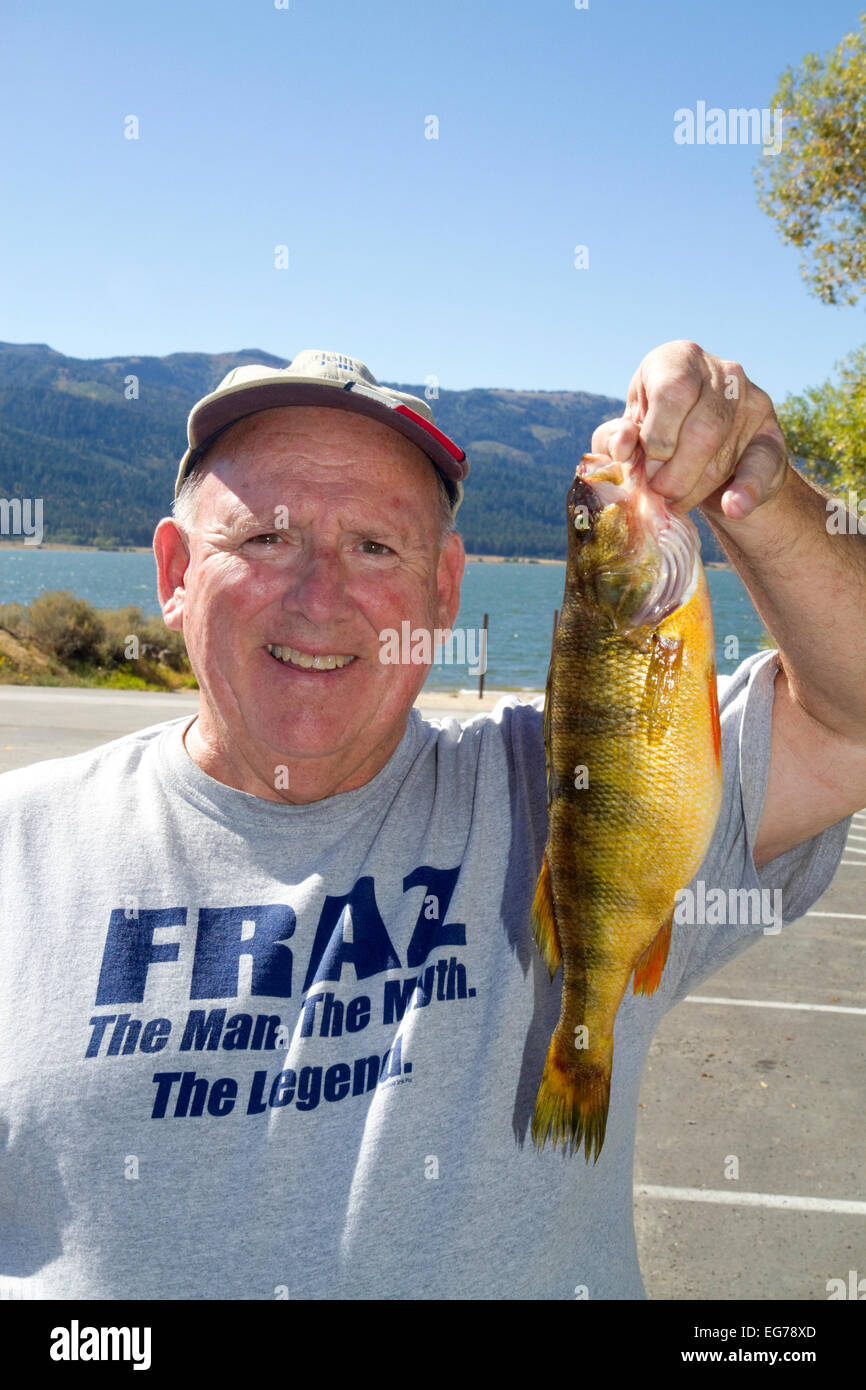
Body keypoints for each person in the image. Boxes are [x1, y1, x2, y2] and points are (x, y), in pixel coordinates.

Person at [0, 343, 862, 1301]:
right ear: (173, 570)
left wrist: (763, 496)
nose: (319, 596)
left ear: (444, 592)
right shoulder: (18, 853)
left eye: (376, 547)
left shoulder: (549, 793)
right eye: (265, 540)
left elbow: (852, 716)